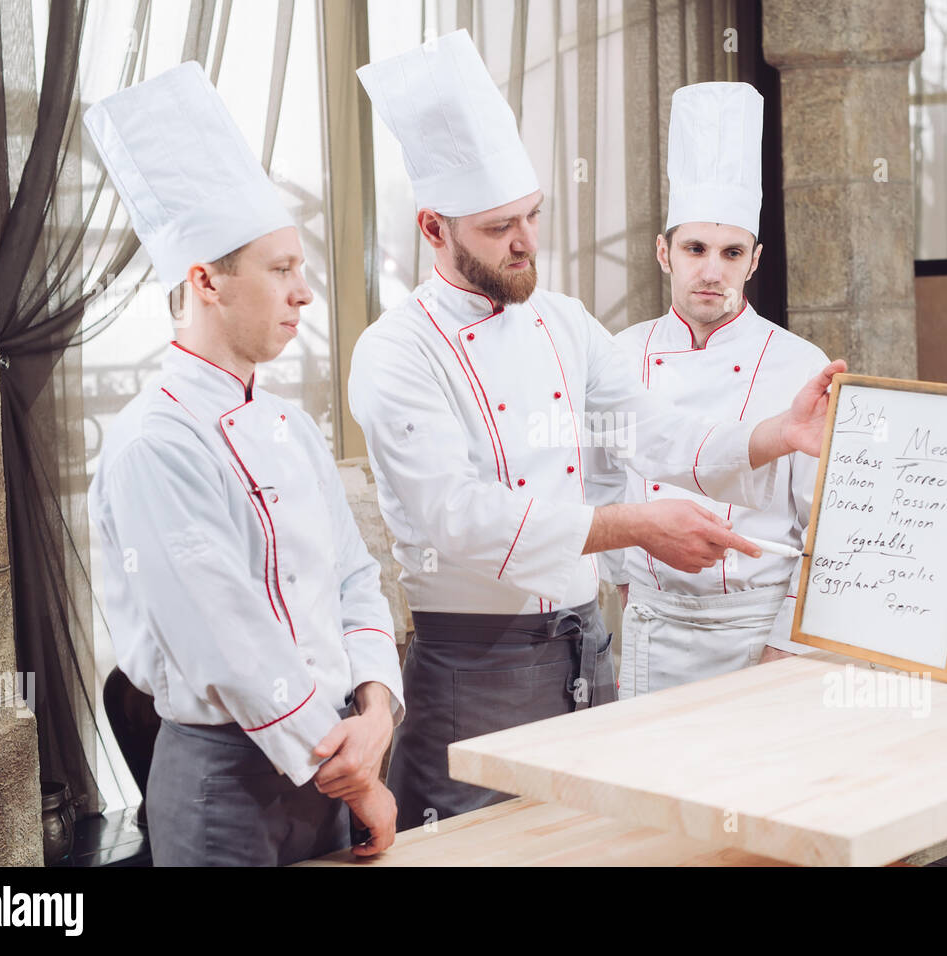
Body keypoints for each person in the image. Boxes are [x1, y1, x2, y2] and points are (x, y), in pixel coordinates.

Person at [351, 30, 845, 830]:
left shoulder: (565, 323)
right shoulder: (395, 352)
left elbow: (656, 434)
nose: (525, 244)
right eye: (497, 227)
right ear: (433, 229)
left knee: (592, 845)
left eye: (534, 216)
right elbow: (461, 520)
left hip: (584, 652)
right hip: (473, 664)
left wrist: (774, 436)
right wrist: (637, 530)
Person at [85, 62, 404, 866]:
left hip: (336, 760)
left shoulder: (292, 427)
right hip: (227, 787)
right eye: (280, 269)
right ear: (205, 281)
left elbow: (355, 580)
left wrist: (376, 710)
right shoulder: (154, 443)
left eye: (301, 266)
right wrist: (358, 776)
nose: (305, 292)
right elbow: (226, 639)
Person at [596, 82, 831, 696]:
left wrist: (787, 642)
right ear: (663, 252)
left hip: (759, 628)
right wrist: (627, 583)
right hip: (652, 628)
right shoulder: (618, 357)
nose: (711, 270)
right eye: (695, 248)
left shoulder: (798, 365)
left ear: (753, 261)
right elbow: (602, 482)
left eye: (731, 253)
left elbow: (824, 527)